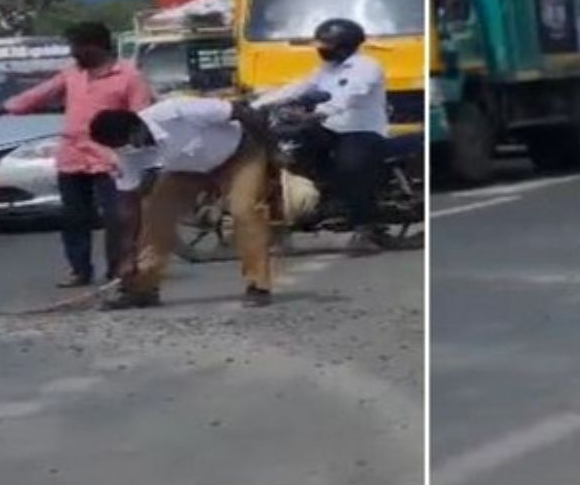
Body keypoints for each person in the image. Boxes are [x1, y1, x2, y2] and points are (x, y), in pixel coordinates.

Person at [0, 22, 152, 287]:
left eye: (77, 47)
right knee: (74, 218)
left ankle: (119, 270)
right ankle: (79, 270)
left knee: (117, 218)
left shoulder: (129, 76)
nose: (73, 53)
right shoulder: (72, 75)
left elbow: (141, 118)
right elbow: (37, 96)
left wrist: (136, 155)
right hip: (73, 157)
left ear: (95, 46)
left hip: (111, 160)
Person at [89, 97, 272, 310]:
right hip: (186, 170)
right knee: (156, 217)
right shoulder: (126, 152)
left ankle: (258, 285)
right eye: (119, 147)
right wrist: (127, 255)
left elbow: (244, 112)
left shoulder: (177, 112)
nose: (127, 150)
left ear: (137, 126)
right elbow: (128, 204)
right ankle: (141, 290)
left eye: (126, 143)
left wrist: (273, 152)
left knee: (244, 210)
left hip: (238, 155)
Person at [252, 18, 389, 254]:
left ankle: (366, 229)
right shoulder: (326, 70)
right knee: (293, 154)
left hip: (359, 130)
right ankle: (318, 202)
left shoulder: (366, 67)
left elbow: (350, 95)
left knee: (350, 168)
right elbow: (299, 87)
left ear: (343, 46)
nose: (321, 50)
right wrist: (257, 104)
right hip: (329, 128)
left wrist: (320, 113)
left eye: (326, 46)